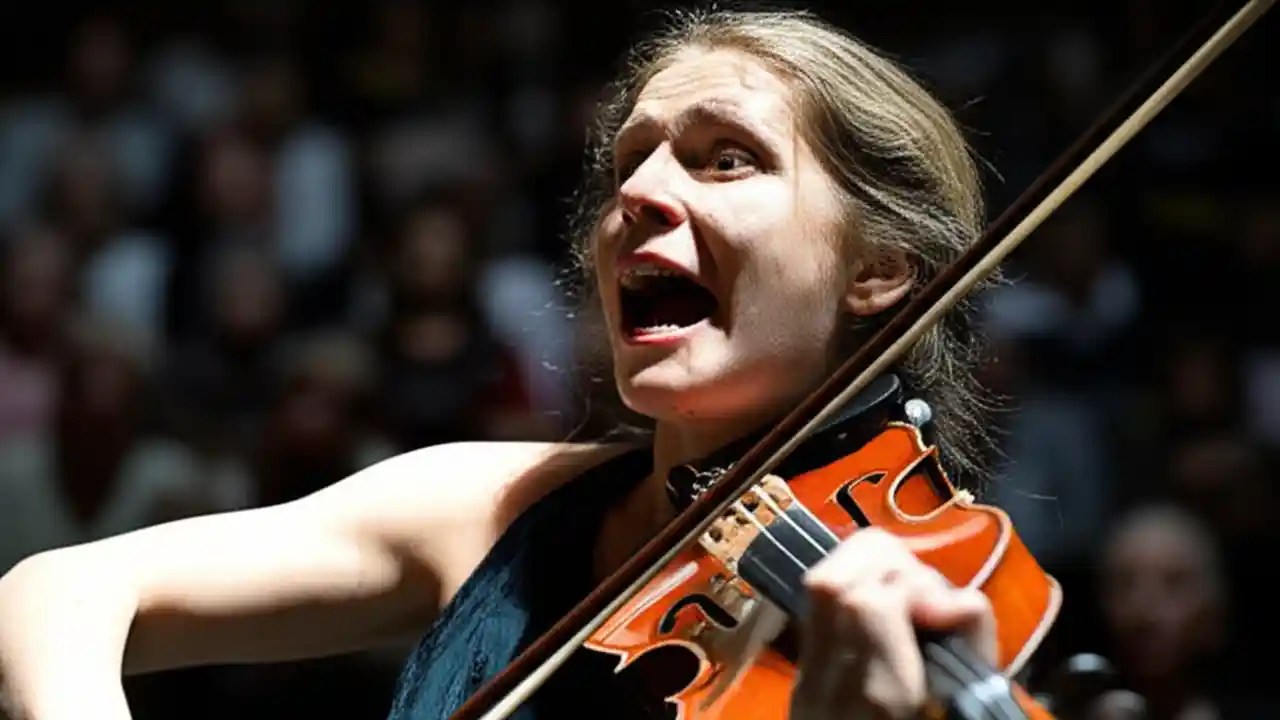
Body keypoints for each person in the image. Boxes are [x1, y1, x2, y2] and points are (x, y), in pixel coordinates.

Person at [0, 8, 1022, 719]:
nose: (641, 197)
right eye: (631, 161)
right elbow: (53, 592)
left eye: (725, 158)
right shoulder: (493, 507)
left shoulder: (929, 587)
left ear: (878, 271)